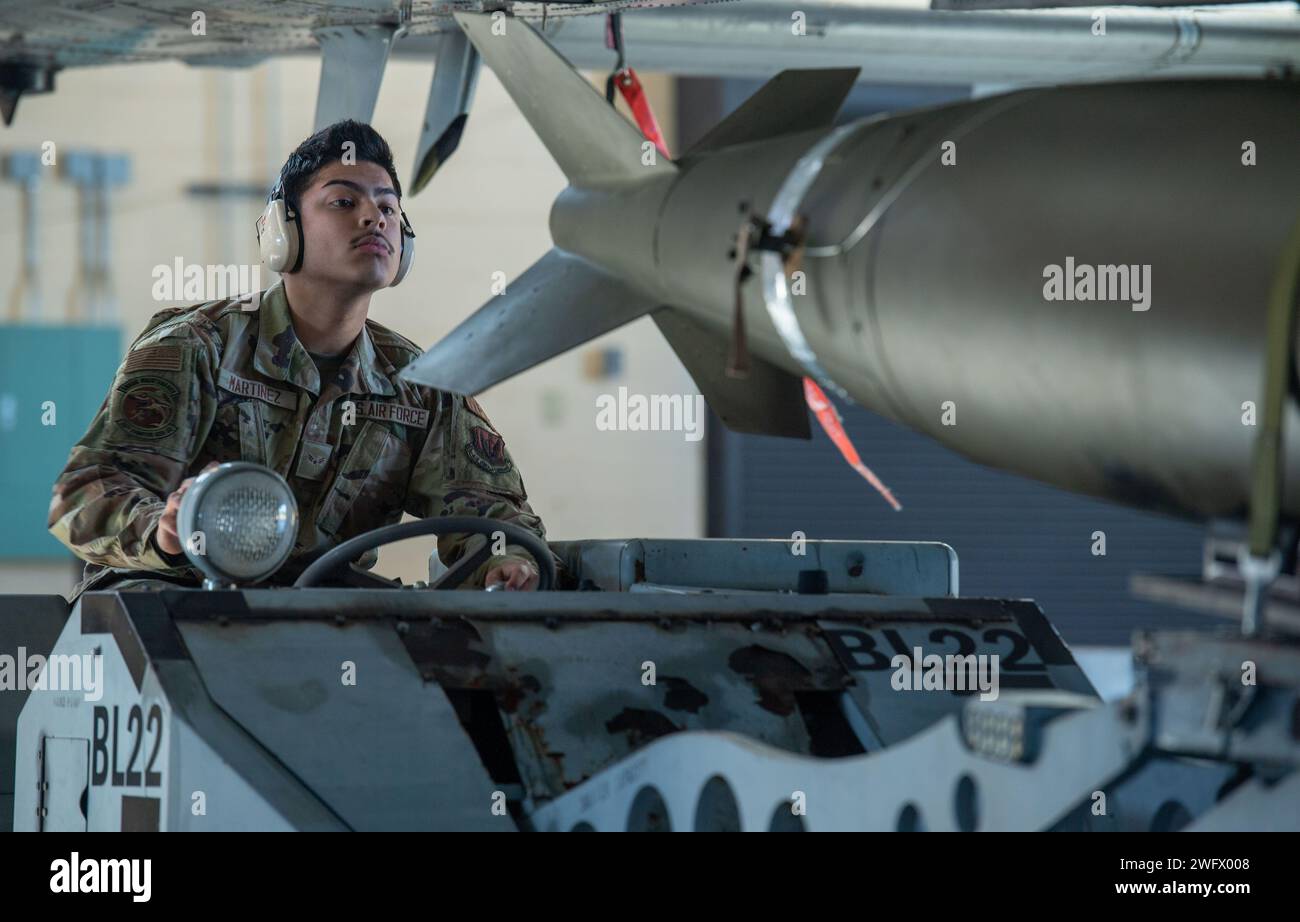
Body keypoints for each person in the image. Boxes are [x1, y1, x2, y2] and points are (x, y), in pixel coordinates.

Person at [48, 120, 547, 598]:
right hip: (179, 600)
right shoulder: (195, 349)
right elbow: (85, 494)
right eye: (343, 201)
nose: (374, 217)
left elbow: (492, 510)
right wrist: (164, 531)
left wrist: (505, 563)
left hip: (323, 619)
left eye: (389, 208)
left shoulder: (418, 384)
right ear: (283, 232)